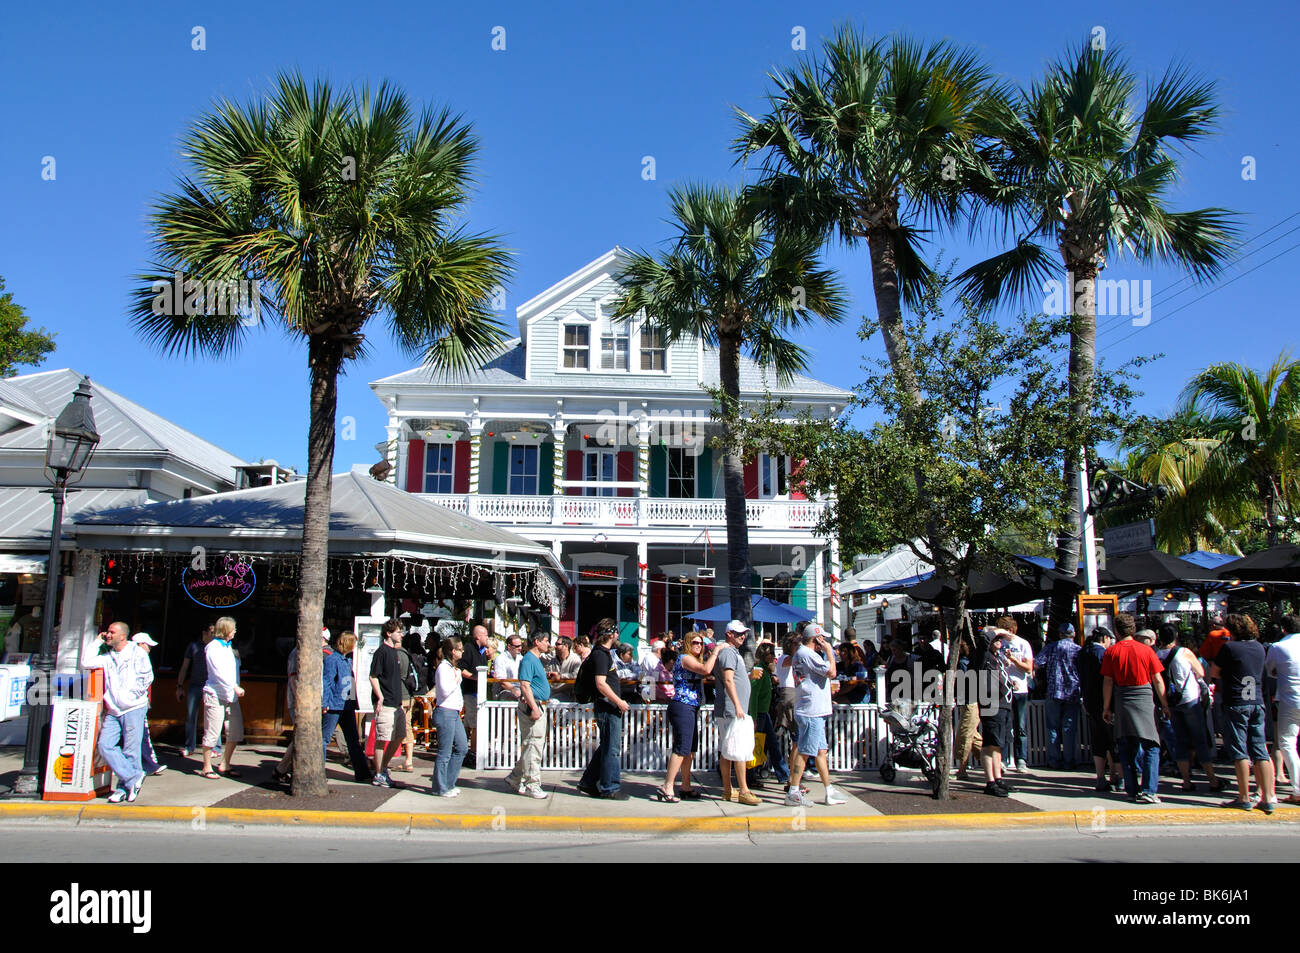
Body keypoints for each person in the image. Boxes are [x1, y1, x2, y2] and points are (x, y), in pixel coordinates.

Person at [1102, 613, 1171, 804]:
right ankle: (1149, 789)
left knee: (1126, 746)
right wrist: (1164, 704)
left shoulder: (1111, 652)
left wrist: (1106, 707)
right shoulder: (1146, 650)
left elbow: (1108, 681)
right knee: (1151, 745)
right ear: (1132, 629)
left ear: (1116, 630)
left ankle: (1131, 789)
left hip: (1122, 697)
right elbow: (1157, 679)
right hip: (1144, 697)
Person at [1211, 613, 1277, 813]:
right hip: (1256, 701)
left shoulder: (1229, 647)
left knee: (1239, 750)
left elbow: (1214, 672)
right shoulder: (1259, 647)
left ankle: (1244, 796)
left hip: (1237, 701)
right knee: (1260, 750)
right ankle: (1267, 796)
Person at [80, 621, 152, 802]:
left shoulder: (137, 653)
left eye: (112, 632)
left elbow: (147, 677)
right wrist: (97, 642)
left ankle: (123, 789)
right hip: (114, 710)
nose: (108, 634)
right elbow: (86, 662)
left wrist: (130, 696)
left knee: (131, 750)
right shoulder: (107, 656)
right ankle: (132, 777)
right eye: (107, 632)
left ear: (123, 636)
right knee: (105, 745)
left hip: (133, 707)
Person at [1155, 624, 1223, 793]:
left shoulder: (1157, 655)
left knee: (1181, 741)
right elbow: (1200, 672)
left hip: (1171, 703)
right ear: (1176, 636)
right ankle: (1212, 780)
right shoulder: (1184, 652)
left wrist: (1164, 705)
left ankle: (1186, 780)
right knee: (1200, 739)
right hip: (1190, 699)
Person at [786, 623, 845, 807]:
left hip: (813, 709)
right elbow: (832, 672)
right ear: (816, 640)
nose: (825, 642)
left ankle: (829, 790)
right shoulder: (808, 654)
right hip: (811, 711)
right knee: (805, 751)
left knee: (820, 751)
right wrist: (830, 652)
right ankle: (793, 792)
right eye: (822, 639)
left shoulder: (802, 654)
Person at [655, 631, 717, 801]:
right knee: (682, 748)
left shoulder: (695, 660)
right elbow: (705, 670)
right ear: (689, 643)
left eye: (701, 643)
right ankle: (667, 786)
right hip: (682, 705)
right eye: (695, 642)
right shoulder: (684, 658)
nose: (699, 645)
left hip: (692, 706)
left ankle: (686, 785)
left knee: (690, 750)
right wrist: (716, 652)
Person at [577, 619, 630, 799]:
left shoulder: (605, 653)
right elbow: (600, 684)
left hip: (609, 706)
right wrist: (619, 701)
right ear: (611, 634)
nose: (617, 636)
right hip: (607, 707)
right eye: (616, 633)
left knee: (606, 746)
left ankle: (588, 781)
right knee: (612, 749)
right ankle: (610, 787)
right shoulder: (600, 654)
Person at [273, 627, 332, 784]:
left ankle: (282, 768)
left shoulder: (313, 653)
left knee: (304, 736)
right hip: (301, 702)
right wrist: (301, 700)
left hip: (311, 701)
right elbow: (293, 678)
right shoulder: (297, 652)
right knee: (303, 736)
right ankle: (286, 769)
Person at [714, 620, 760, 805]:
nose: (743, 636)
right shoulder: (727, 652)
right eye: (738, 633)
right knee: (738, 750)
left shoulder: (733, 653)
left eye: (744, 633)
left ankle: (728, 789)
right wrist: (738, 705)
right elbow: (728, 680)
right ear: (729, 634)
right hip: (732, 710)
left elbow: (734, 678)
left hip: (733, 709)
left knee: (728, 751)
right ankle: (743, 790)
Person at [505, 632, 552, 799]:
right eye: (546, 641)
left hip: (539, 704)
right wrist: (534, 707)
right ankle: (533, 784)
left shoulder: (535, 660)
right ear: (537, 642)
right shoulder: (528, 660)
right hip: (534, 706)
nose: (548, 644)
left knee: (532, 744)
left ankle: (515, 777)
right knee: (533, 745)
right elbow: (524, 686)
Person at [200, 616, 245, 780]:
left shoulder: (229, 647)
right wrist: (234, 686)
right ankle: (206, 766)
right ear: (226, 629)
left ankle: (225, 763)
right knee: (212, 731)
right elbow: (218, 672)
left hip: (231, 696)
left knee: (235, 731)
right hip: (215, 694)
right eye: (233, 628)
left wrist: (234, 688)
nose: (235, 631)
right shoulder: (213, 647)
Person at [1035, 622, 1082, 770]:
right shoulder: (1078, 650)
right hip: (1072, 691)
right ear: (1073, 634)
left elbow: (1037, 663)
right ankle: (1069, 760)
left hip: (1054, 690)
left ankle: (1054, 760)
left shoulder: (1052, 647)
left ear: (1060, 634)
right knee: (1069, 727)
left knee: (1052, 726)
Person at [367, 619, 408, 789]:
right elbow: (373, 676)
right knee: (382, 738)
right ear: (389, 633)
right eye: (398, 631)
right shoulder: (382, 652)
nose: (401, 634)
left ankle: (383, 767)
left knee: (399, 736)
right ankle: (378, 773)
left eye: (401, 631)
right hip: (386, 703)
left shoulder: (395, 652)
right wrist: (380, 697)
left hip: (397, 703)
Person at [1264, 613, 1300, 804]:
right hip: (1290, 699)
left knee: (1287, 742)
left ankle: (1298, 789)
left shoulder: (1277, 647)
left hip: (1291, 699)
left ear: (1283, 629)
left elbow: (1270, 671)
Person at [974, 626, 1013, 797]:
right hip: (991, 705)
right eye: (996, 639)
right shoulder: (983, 655)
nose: (999, 641)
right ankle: (990, 781)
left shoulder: (997, 658)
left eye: (1000, 639)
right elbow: (983, 640)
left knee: (997, 744)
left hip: (1003, 705)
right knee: (989, 743)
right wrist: (996, 630)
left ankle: (998, 778)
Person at [332, 631, 372, 782]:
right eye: (353, 643)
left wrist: (354, 702)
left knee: (353, 739)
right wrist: (326, 703)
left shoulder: (347, 660)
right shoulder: (333, 659)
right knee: (324, 737)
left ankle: (362, 772)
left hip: (347, 704)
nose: (355, 646)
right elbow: (329, 681)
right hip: (335, 704)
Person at [432, 636, 468, 797]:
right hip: (445, 711)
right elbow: (445, 691)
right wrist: (457, 678)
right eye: (460, 649)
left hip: (454, 712)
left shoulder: (452, 668)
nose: (463, 652)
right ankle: (440, 787)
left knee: (462, 747)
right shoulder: (443, 668)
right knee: (444, 752)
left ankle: (448, 782)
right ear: (453, 651)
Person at [996, 616, 1033, 772]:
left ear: (1011, 631)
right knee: (1004, 724)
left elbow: (1029, 668)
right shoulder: (999, 644)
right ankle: (1003, 759)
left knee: (1020, 725)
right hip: (1003, 688)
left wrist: (1014, 660)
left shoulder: (1023, 644)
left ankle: (1021, 759)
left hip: (1020, 689)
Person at [127, 632, 167, 777]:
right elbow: (146, 679)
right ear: (140, 644)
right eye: (147, 645)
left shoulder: (127, 655)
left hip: (132, 702)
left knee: (134, 735)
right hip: (134, 703)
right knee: (141, 734)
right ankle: (149, 764)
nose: (149, 648)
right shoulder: (138, 656)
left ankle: (148, 764)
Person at [175, 623, 216, 757]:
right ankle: (189, 746)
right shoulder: (194, 646)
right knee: (191, 716)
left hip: (211, 685)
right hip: (196, 684)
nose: (213, 634)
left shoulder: (218, 647)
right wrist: (179, 686)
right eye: (211, 631)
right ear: (204, 633)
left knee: (213, 717)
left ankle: (216, 747)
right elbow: (185, 667)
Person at [458, 623, 492, 762]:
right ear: (478, 636)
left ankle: (464, 749)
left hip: (480, 691)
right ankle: (472, 752)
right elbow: (461, 668)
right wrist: (474, 677)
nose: (487, 637)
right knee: (475, 723)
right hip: (471, 690)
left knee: (469, 722)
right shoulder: (469, 649)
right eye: (485, 635)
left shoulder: (482, 651)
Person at [953, 632, 982, 780]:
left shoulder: (963, 664)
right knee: (973, 736)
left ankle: (962, 769)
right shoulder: (963, 663)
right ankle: (991, 759)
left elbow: (965, 682)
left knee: (965, 735)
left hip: (969, 702)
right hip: (966, 702)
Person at [748, 641, 776, 787]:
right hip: (759, 713)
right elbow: (753, 695)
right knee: (756, 745)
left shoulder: (765, 670)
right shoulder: (759, 670)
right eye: (772, 654)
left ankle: (780, 773)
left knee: (767, 744)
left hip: (764, 712)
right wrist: (753, 717)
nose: (774, 657)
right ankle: (750, 776)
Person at [493, 634, 524, 702]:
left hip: (520, 691)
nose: (520, 648)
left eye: (521, 645)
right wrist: (515, 691)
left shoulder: (521, 658)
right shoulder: (500, 659)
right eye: (517, 646)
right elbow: (502, 681)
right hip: (503, 693)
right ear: (509, 646)